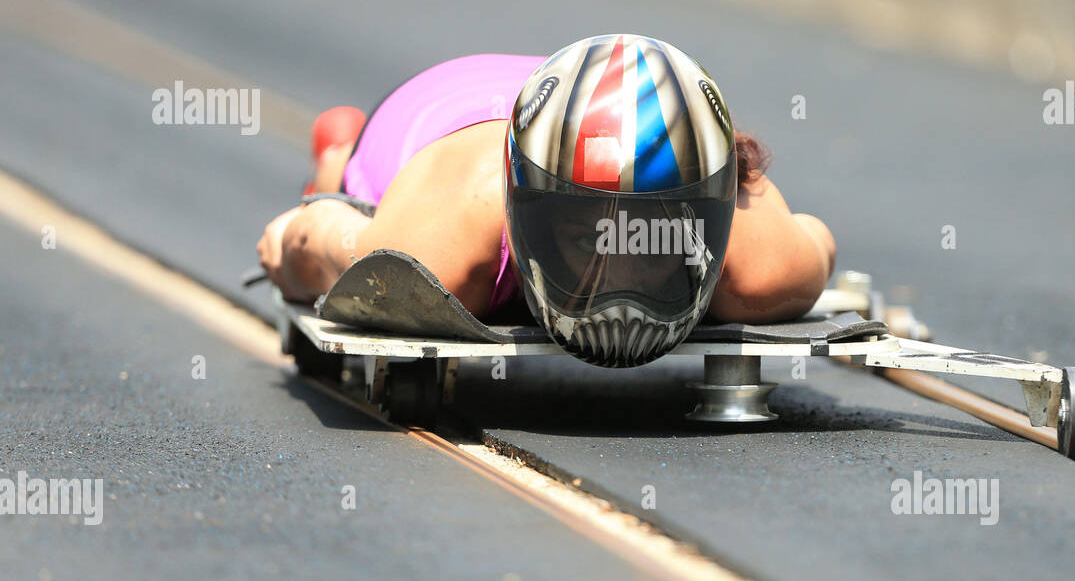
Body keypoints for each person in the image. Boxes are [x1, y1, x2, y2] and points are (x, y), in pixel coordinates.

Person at [258, 34, 835, 366]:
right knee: (343, 183)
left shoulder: (757, 259)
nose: (621, 277)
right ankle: (336, 149)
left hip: (584, 101)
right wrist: (294, 240)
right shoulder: (444, 247)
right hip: (443, 105)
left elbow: (819, 242)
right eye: (591, 237)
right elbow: (308, 237)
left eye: (652, 236)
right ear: (527, 211)